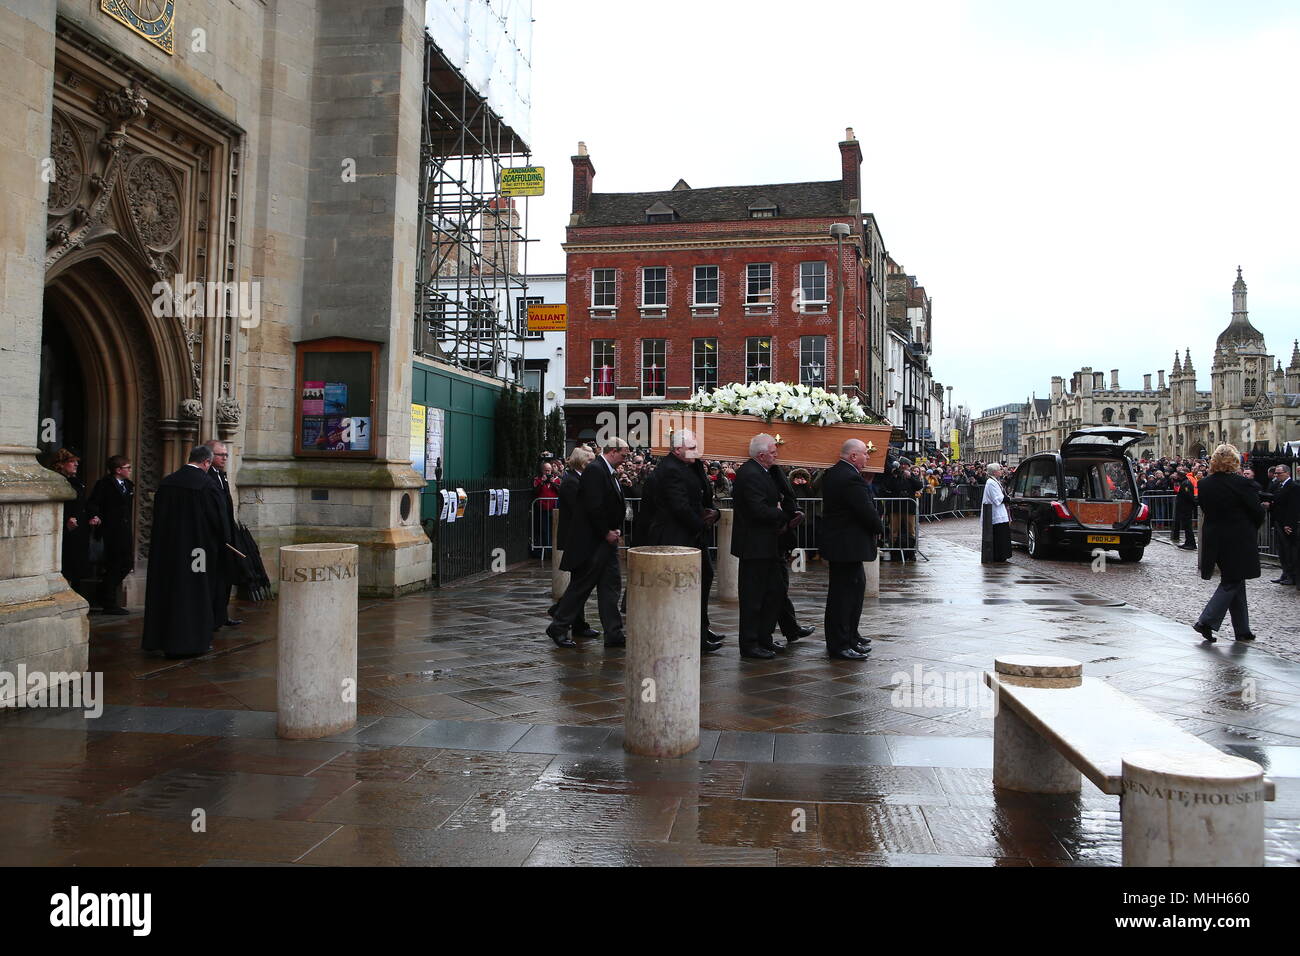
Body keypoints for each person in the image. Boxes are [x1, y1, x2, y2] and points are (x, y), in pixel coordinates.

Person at [142, 445, 227, 658]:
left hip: (167, 550)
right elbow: (218, 522)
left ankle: (159, 638)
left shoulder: (167, 482)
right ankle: (192, 641)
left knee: (167, 591)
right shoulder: (207, 485)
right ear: (206, 462)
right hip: (197, 551)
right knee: (194, 592)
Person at [646, 429, 723, 654]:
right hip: (677, 536)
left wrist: (714, 513)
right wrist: (702, 523)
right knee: (682, 588)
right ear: (677, 449)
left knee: (704, 580)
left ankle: (701, 629)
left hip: (694, 535)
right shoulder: (670, 469)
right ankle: (687, 635)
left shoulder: (693, 465)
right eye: (691, 448)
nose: (696, 451)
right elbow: (679, 506)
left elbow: (705, 494)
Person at [547, 438, 628, 648]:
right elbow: (593, 505)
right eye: (623, 455)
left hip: (605, 541)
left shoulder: (606, 470)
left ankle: (614, 633)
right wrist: (606, 531)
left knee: (610, 587)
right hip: (593, 542)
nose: (625, 459)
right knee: (581, 586)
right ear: (612, 452)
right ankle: (558, 626)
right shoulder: (596, 470)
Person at [731, 433, 797, 660]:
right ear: (761, 455)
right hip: (754, 546)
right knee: (753, 597)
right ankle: (749, 644)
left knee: (774, 593)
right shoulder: (750, 475)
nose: (776, 454)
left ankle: (764, 638)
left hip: (767, 545)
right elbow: (757, 510)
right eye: (772, 451)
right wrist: (779, 513)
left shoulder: (765, 471)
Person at [1192, 444, 1263, 644]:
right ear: (1234, 462)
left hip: (1216, 538)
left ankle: (1243, 629)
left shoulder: (1204, 484)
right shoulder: (1242, 483)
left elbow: (1206, 510)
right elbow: (1257, 512)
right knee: (1232, 581)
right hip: (1239, 538)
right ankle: (1206, 621)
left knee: (1236, 581)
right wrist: (1251, 526)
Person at [819, 439, 882, 660]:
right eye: (865, 454)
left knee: (851, 592)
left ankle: (849, 637)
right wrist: (879, 526)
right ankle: (840, 643)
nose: (868, 458)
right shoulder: (849, 478)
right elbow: (865, 510)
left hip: (844, 546)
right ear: (853, 456)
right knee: (843, 597)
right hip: (846, 546)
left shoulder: (838, 473)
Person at [547, 448, 599, 640]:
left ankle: (574, 620)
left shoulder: (577, 479)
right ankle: (563, 614)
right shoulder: (571, 482)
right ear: (583, 462)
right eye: (591, 460)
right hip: (575, 539)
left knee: (580, 583)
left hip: (579, 538)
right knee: (579, 583)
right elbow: (579, 509)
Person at [770, 463, 815, 643]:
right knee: (776, 590)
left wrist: (796, 513)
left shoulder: (777, 474)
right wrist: (786, 521)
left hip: (782, 541)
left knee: (780, 589)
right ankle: (766, 634)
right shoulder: (768, 476)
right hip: (773, 540)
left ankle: (791, 629)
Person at [86, 454, 136, 614]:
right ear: (118, 470)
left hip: (124, 530)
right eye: (127, 467)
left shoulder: (128, 485)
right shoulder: (104, 484)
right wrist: (95, 516)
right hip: (110, 531)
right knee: (113, 564)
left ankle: (103, 590)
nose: (130, 470)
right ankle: (109, 602)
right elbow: (94, 503)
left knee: (126, 563)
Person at [204, 439, 242, 630]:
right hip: (215, 539)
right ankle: (212, 618)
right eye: (221, 455)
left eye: (227, 455)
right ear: (210, 456)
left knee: (225, 578)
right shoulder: (207, 477)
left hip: (227, 536)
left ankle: (222, 615)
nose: (225, 458)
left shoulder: (221, 475)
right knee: (215, 580)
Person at [50, 448, 90, 597]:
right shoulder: (59, 481)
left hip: (78, 529)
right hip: (67, 529)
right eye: (72, 462)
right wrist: (67, 520)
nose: (76, 465)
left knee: (77, 566)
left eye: (76, 462)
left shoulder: (76, 482)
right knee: (68, 564)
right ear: (61, 464)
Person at [1271, 465, 1300, 587]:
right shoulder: (1278, 485)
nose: (1276, 475)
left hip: (1286, 523)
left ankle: (1291, 575)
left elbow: (1293, 507)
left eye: (1279, 473)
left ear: (1287, 473)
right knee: (1282, 550)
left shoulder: (1293, 486)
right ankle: (1285, 573)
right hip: (1278, 521)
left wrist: (1289, 524)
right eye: (1276, 473)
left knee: (1289, 550)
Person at [980, 462, 1011, 563]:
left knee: (1002, 535)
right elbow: (997, 498)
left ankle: (1002, 555)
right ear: (994, 472)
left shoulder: (995, 481)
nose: (1001, 471)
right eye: (999, 470)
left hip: (1000, 513)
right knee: (999, 536)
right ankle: (999, 555)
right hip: (996, 514)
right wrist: (1008, 498)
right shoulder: (991, 483)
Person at [1171, 466, 1198, 549]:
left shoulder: (1186, 483)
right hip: (1185, 507)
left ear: (1180, 476)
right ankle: (1188, 542)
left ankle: (1191, 543)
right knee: (1186, 526)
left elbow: (1188, 496)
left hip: (1186, 508)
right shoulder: (1184, 482)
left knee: (1188, 526)